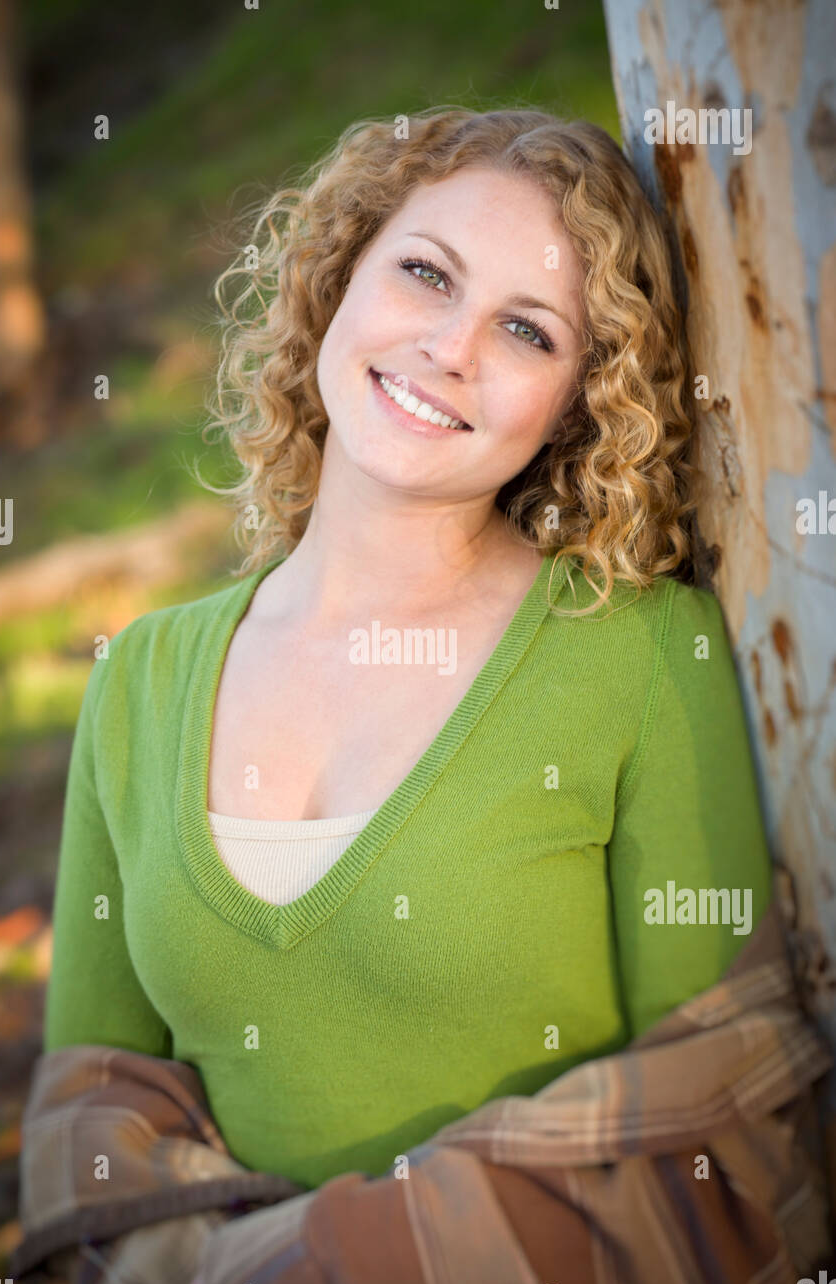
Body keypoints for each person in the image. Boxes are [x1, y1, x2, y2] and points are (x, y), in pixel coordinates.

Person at [42, 105, 773, 1198]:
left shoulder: (644, 658)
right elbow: (91, 1120)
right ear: (340, 276)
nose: (449, 349)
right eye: (426, 274)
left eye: (527, 330)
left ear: (576, 408)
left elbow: (713, 1126)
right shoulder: (140, 675)